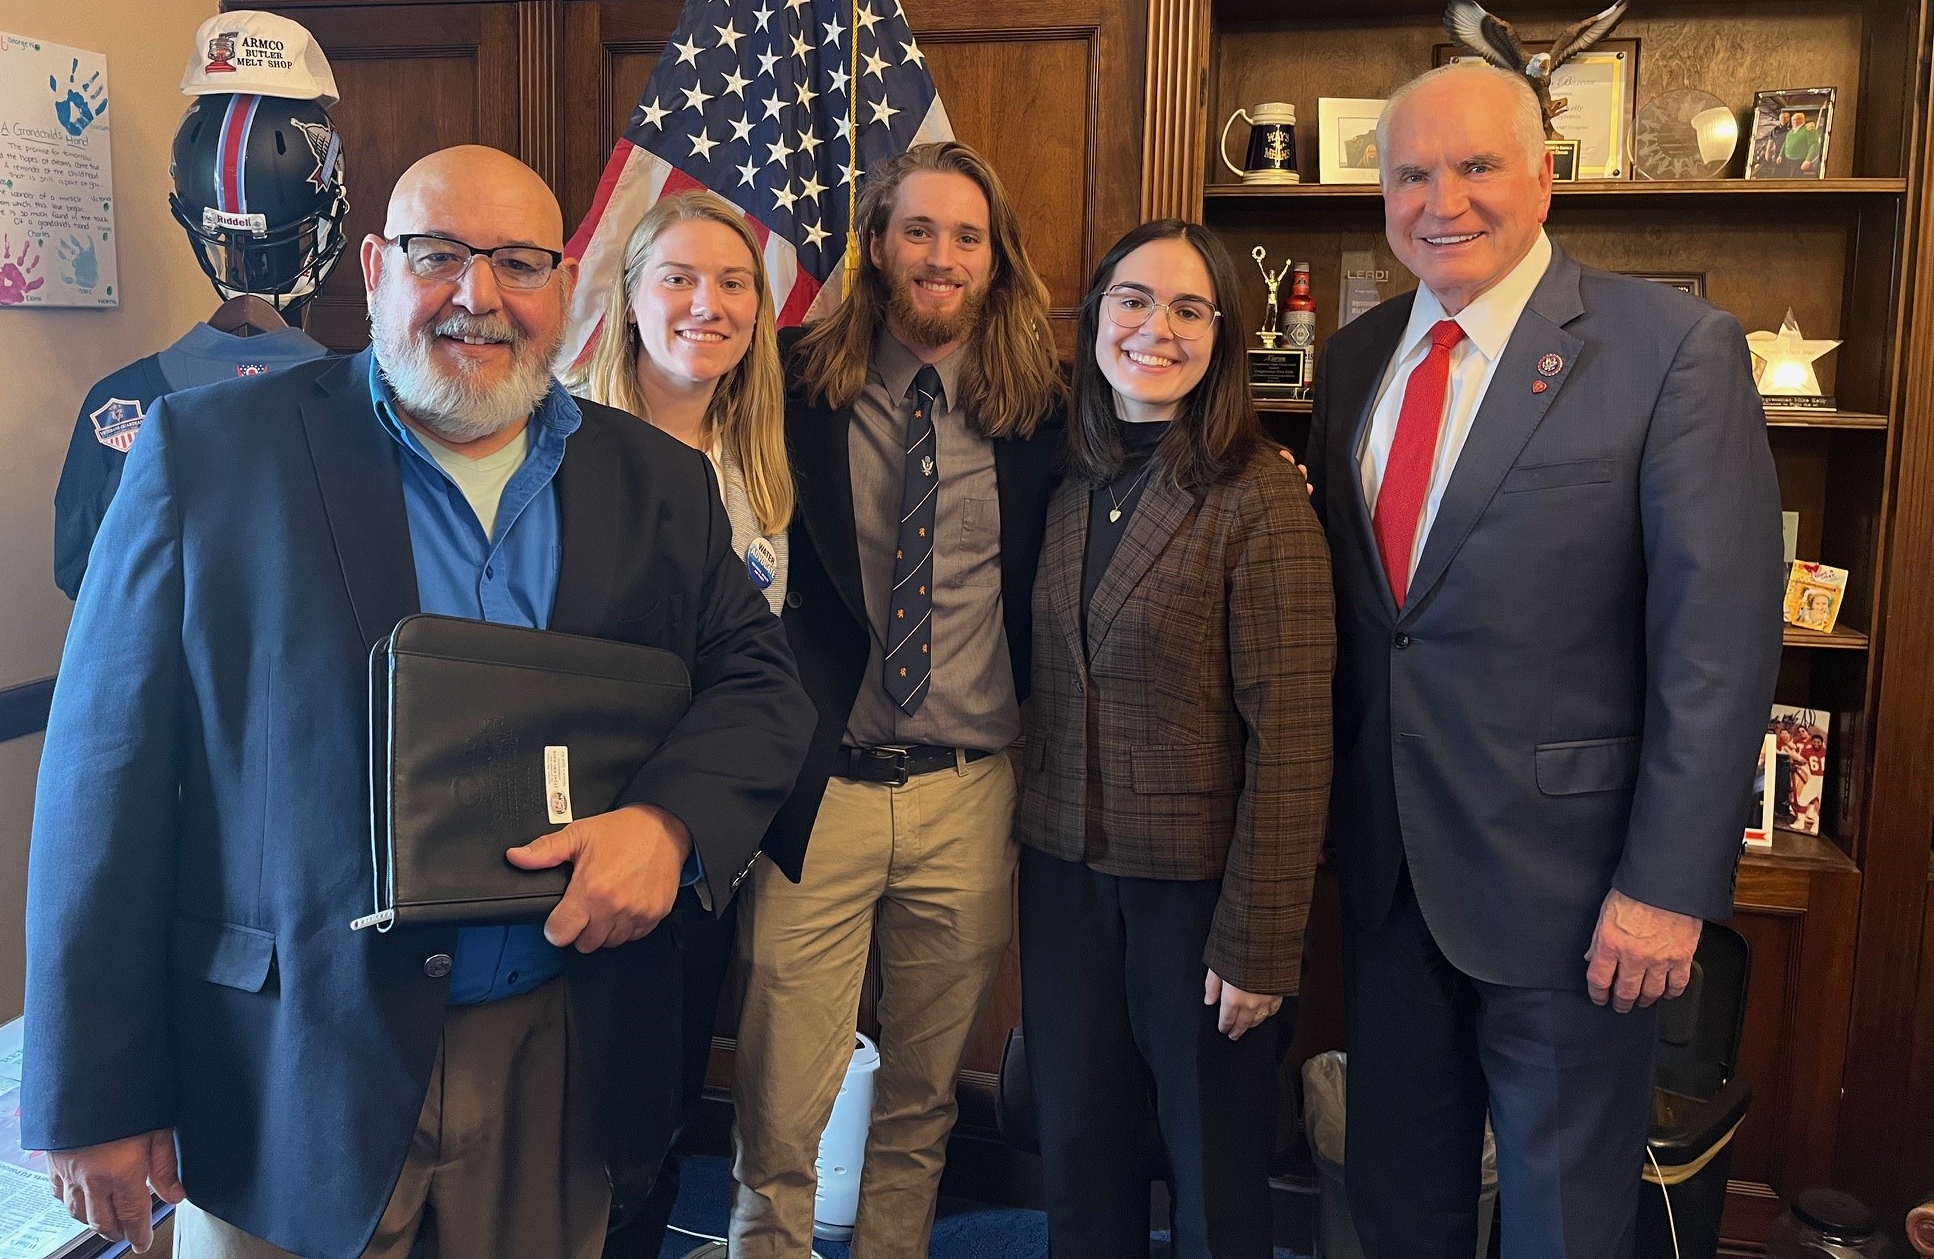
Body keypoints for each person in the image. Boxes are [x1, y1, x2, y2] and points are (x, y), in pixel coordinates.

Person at [22, 145, 815, 1259]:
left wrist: (670, 825)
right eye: (440, 255)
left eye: (520, 264)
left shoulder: (655, 483)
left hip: (558, 1047)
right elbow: (103, 776)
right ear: (376, 265)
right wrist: (94, 1089)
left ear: (564, 288)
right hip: (291, 1057)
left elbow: (759, 686)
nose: (478, 296)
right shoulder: (209, 455)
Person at [1306, 65, 1783, 1259]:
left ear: (1544, 180)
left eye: (1475, 167)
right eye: (1410, 172)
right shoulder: (1358, 357)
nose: (1441, 200)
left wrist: (1667, 886)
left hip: (1578, 900)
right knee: (1397, 1205)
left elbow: (1715, 645)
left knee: (1563, 1226)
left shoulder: (1671, 349)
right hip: (1389, 878)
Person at [729, 140, 1066, 1259]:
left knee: (923, 1105)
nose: (942, 255)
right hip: (819, 791)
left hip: (967, 798)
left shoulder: (1045, 412)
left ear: (996, 259)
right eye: (918, 230)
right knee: (780, 1102)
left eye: (967, 236)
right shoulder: (790, 381)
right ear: (876, 246)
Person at [1018, 219, 1334, 1258]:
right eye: (1133, 301)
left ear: (1222, 336)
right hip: (1064, 880)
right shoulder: (1067, 483)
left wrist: (1261, 944)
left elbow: (1291, 738)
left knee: (1214, 1186)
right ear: (1097, 317)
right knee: (1079, 1163)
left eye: (1190, 308)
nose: (1157, 328)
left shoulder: (1259, 496)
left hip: (1199, 905)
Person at [578, 191, 792, 1257]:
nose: (705, 304)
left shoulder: (766, 460)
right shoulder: (559, 444)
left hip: (713, 851)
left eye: (733, 283)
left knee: (662, 1123)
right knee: (579, 1139)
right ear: (627, 300)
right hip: (589, 844)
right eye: (677, 278)